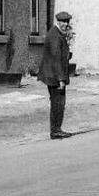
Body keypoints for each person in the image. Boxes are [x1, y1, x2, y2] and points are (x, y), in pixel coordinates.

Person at [33, 11, 73, 139]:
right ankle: (55, 130)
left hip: (52, 74)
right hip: (54, 76)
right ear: (58, 22)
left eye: (67, 22)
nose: (66, 24)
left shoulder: (57, 34)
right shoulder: (55, 36)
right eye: (63, 22)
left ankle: (56, 129)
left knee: (57, 102)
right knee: (58, 103)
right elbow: (56, 59)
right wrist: (61, 79)